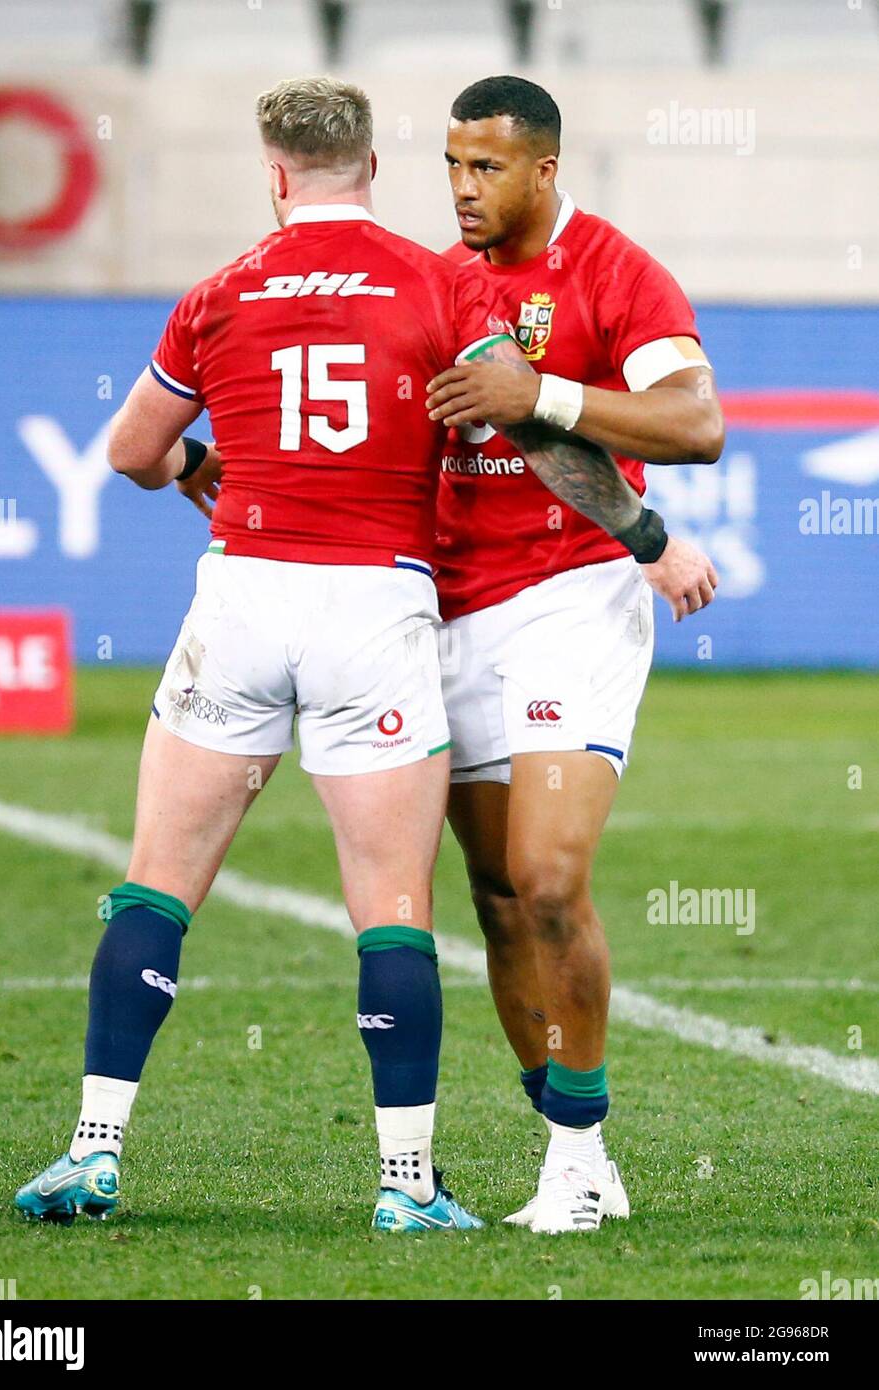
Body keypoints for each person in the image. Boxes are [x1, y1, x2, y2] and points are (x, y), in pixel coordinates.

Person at [12, 75, 523, 1233]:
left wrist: (203, 470)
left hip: (242, 594)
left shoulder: (222, 290)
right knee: (390, 903)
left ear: (276, 174)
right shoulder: (441, 281)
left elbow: (131, 450)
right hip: (375, 604)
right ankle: (405, 1187)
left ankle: (93, 1151)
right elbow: (505, 424)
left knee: (156, 883)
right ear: (375, 168)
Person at [423, 75, 723, 1233]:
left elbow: (696, 424)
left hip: (573, 598)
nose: (462, 187)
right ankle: (575, 1149)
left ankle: (574, 1158)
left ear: (543, 169)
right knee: (498, 898)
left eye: (486, 166)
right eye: (451, 164)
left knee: (550, 878)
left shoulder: (613, 271)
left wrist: (538, 387)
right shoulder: (437, 283)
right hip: (451, 612)